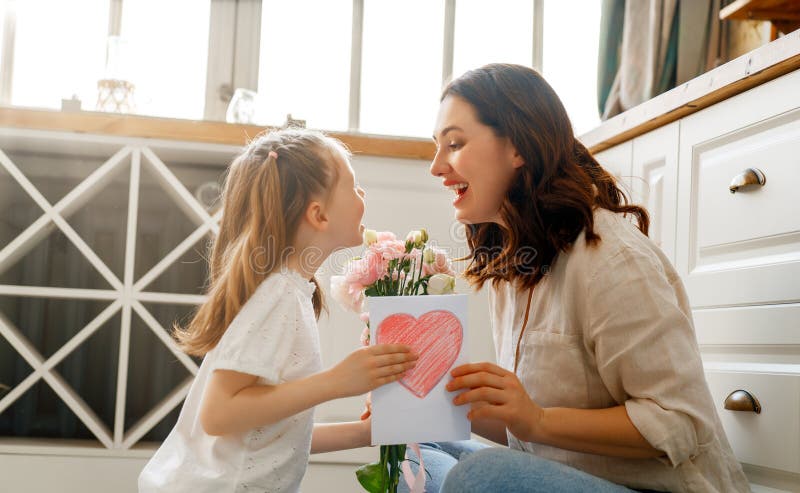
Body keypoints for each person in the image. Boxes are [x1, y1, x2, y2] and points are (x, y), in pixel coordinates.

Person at [413, 63, 749, 492]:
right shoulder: (516, 264)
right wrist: (432, 395)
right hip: (571, 479)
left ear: (516, 147)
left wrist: (536, 419)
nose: (436, 167)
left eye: (454, 144)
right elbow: (531, 437)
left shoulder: (611, 261)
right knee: (418, 441)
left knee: (478, 476)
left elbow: (681, 422)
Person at [138, 129, 418, 492]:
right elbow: (219, 414)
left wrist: (365, 433)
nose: (362, 195)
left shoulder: (287, 291)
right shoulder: (278, 295)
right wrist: (336, 382)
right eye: (353, 185)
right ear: (318, 215)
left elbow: (275, 436)